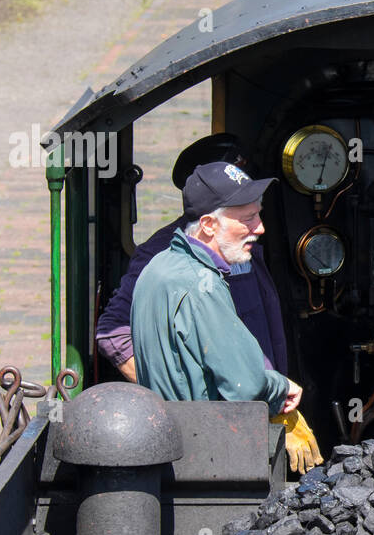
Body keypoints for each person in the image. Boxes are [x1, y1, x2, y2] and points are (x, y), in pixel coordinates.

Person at [130, 160, 321, 472]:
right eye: (247, 219)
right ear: (208, 225)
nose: (259, 227)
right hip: (205, 456)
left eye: (258, 214)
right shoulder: (202, 285)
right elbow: (245, 385)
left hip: (171, 447)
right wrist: (282, 389)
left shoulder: (159, 267)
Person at [95, 134, 287, 384]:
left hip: (262, 403)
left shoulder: (240, 244)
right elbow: (113, 333)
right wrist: (171, 398)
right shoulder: (161, 253)